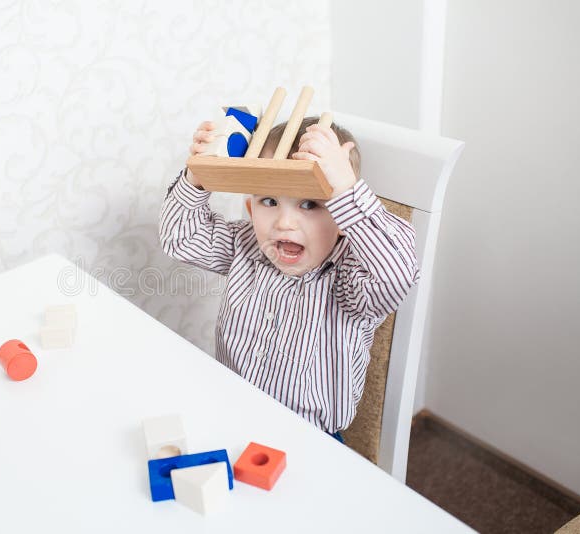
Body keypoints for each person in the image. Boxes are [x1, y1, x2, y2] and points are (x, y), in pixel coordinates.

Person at [159, 116, 420, 441]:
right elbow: (181, 238)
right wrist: (197, 177)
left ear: (342, 219)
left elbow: (397, 273)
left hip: (310, 438)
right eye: (269, 201)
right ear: (252, 210)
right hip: (230, 412)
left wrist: (346, 192)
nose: (284, 222)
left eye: (309, 204)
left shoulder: (354, 274)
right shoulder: (246, 245)